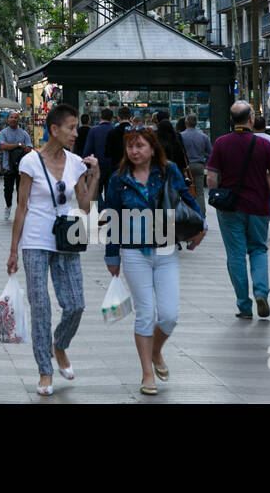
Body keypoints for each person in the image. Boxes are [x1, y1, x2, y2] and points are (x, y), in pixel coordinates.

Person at [104, 125, 206, 395]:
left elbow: (186, 197)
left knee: (170, 315)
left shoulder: (168, 170)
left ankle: (157, 351)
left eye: (140, 146)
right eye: (130, 146)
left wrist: (200, 226)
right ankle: (146, 374)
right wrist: (112, 254)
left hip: (165, 249)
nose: (134, 151)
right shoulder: (118, 179)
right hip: (134, 251)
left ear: (152, 148)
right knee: (145, 313)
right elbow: (111, 217)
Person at [8, 104, 101, 396]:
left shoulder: (75, 163)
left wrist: (94, 176)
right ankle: (44, 370)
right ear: (54, 130)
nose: (76, 133)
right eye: (71, 128)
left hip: (67, 237)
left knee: (76, 303)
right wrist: (13, 251)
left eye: (76, 128)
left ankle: (59, 344)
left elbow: (85, 207)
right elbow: (21, 207)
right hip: (35, 239)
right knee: (41, 307)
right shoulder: (30, 163)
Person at [205, 102, 270, 320]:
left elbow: (211, 177)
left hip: (230, 208)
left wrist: (217, 191)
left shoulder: (221, 143)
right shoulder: (264, 145)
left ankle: (244, 306)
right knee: (257, 249)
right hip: (258, 206)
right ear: (251, 119)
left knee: (235, 255)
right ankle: (261, 292)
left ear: (231, 119)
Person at [0, 111, 33, 220]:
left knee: (21, 189)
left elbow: (29, 148)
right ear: (8, 119)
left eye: (16, 118)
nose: (13, 119)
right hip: (8, 165)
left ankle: (20, 209)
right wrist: (18, 145)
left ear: (19, 120)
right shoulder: (3, 133)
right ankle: (8, 206)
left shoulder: (24, 133)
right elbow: (3, 146)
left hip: (21, 167)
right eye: (11, 117)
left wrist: (24, 148)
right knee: (7, 190)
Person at [179, 113, 212, 205]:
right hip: (199, 165)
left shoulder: (181, 136)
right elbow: (210, 153)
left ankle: (187, 214)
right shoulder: (204, 137)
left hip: (185, 167)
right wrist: (205, 163)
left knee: (184, 191)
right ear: (196, 123)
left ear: (186, 123)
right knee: (199, 192)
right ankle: (201, 215)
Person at [103, 106, 134, 196]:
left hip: (116, 169)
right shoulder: (135, 133)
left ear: (118, 118)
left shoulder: (112, 133)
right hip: (132, 169)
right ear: (130, 118)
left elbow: (107, 153)